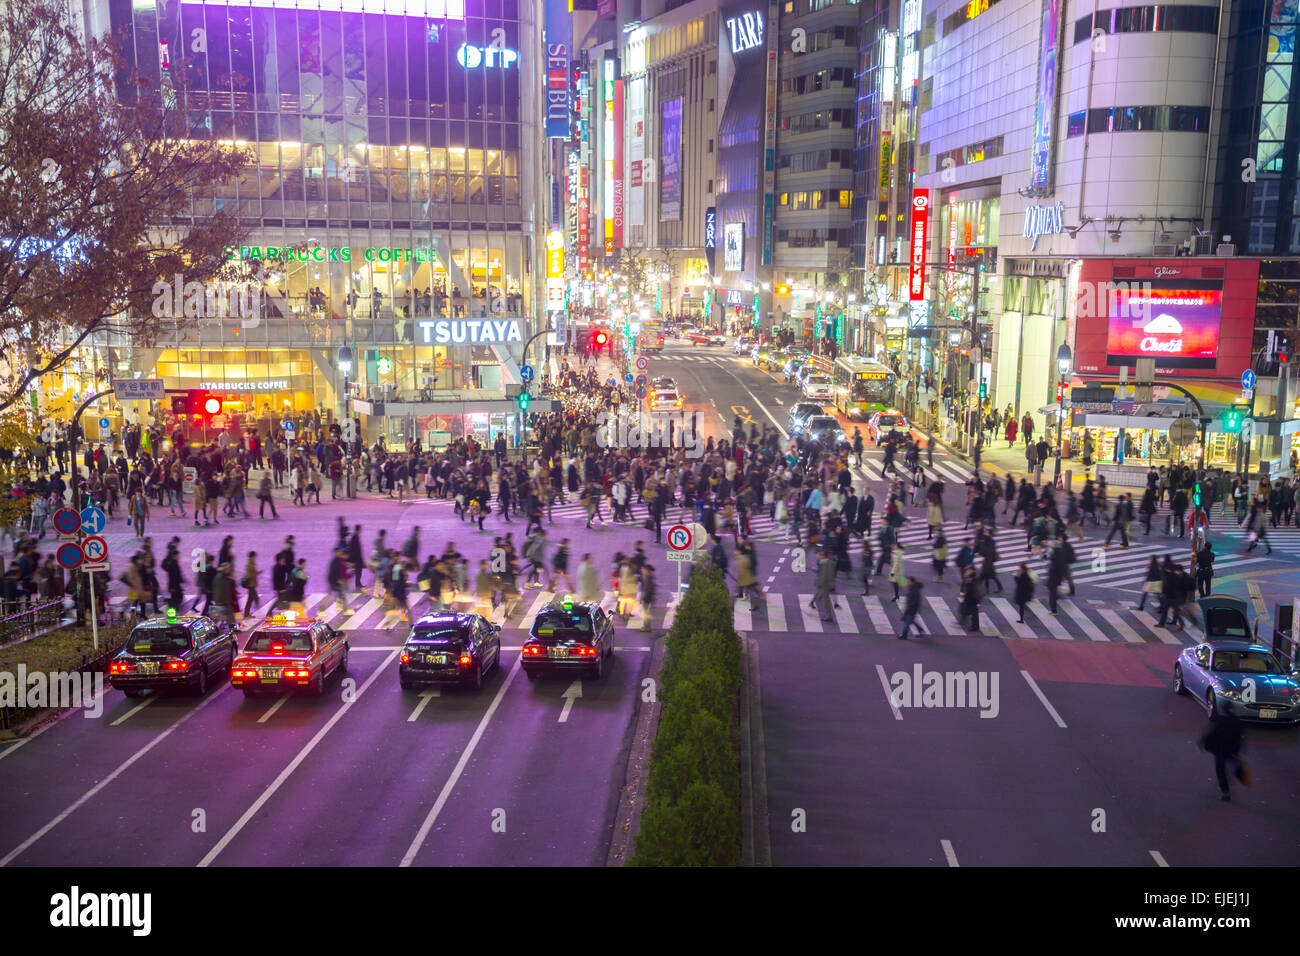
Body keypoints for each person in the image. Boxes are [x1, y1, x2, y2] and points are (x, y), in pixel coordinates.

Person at [1200, 710, 1245, 801]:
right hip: (1231, 750)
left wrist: (1202, 742)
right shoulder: (1236, 722)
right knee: (1230, 763)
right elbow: (1240, 737)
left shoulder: (1220, 721)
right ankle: (1235, 774)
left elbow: (1211, 733)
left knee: (1220, 770)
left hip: (1220, 751)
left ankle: (1225, 791)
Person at [241, 551, 261, 622]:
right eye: (254, 556)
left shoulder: (251, 563)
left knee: (250, 599)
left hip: (252, 584)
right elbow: (249, 575)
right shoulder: (249, 564)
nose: (255, 558)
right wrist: (256, 573)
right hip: (250, 584)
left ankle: (246, 614)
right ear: (252, 557)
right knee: (255, 598)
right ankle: (256, 608)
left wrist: (257, 573)